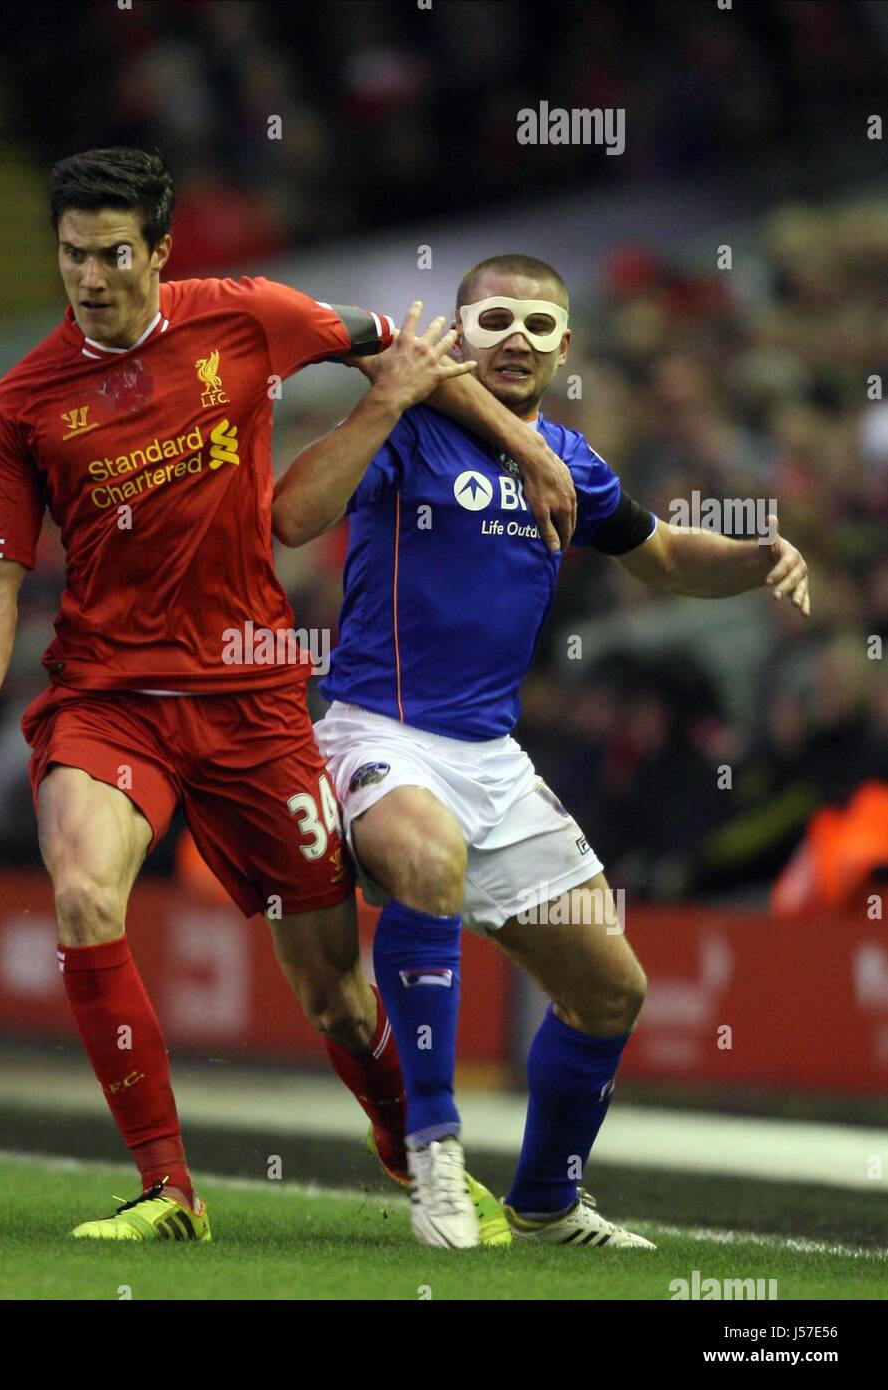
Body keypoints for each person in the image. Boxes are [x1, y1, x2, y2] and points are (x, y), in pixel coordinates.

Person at [0, 149, 577, 1244]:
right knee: (84, 893)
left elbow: (406, 358)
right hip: (110, 695)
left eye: (112, 251)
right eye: (72, 252)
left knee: (332, 992)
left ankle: (411, 1150)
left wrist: (527, 451)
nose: (88, 274)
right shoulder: (24, 404)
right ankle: (166, 1189)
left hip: (253, 700)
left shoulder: (247, 315)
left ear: (161, 251)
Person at [273, 253, 811, 1249]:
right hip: (377, 733)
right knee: (424, 861)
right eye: (495, 321)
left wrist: (753, 556)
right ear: (457, 334)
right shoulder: (412, 429)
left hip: (490, 758)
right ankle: (434, 1158)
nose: (516, 338)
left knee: (612, 989)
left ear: (564, 346)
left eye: (539, 324)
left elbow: (658, 557)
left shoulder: (569, 458)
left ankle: (547, 1197)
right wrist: (383, 402)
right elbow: (291, 514)